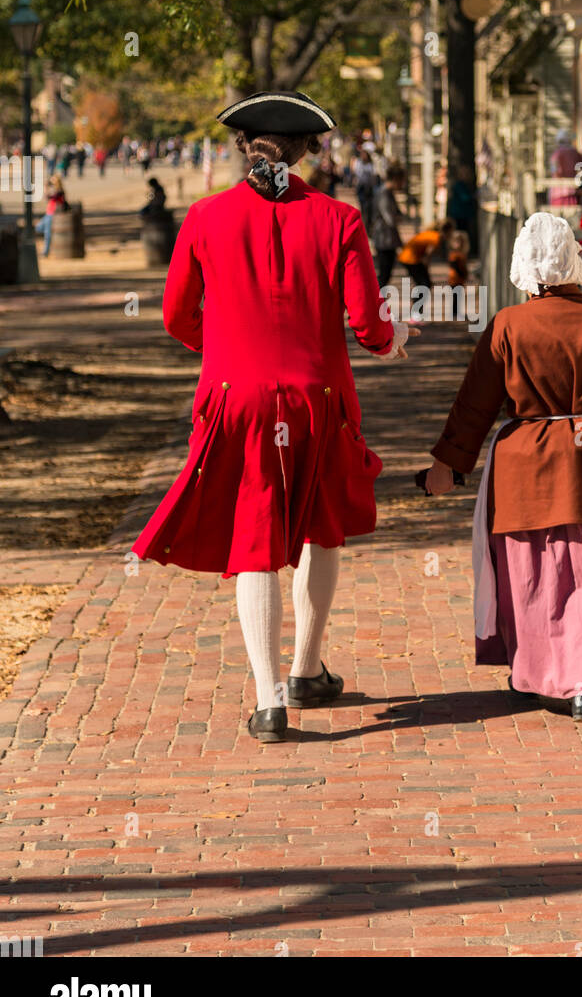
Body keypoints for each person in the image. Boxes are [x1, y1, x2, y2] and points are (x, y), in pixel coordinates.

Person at [131, 91, 418, 745]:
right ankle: (305, 668)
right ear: (309, 149)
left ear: (242, 145)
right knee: (321, 524)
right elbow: (368, 326)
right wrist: (394, 338)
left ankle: (270, 701)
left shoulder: (204, 218)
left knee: (254, 534)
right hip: (319, 397)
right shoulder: (339, 218)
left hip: (239, 396)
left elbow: (178, 317)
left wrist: (229, 344)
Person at [424, 211, 582, 728]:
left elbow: (475, 405)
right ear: (573, 260)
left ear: (526, 265)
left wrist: (448, 464)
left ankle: (550, 674)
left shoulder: (509, 325)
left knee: (545, 578)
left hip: (532, 469)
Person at [370, 164, 405, 287]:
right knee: (384, 275)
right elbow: (390, 218)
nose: (402, 184)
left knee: (386, 274)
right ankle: (376, 302)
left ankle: (378, 301)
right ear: (395, 179)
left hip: (387, 238)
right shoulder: (384, 194)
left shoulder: (387, 192)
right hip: (384, 239)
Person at [398, 218, 454, 293]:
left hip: (407, 257)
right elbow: (427, 257)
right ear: (448, 231)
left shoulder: (433, 234)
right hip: (410, 259)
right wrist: (426, 272)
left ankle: (417, 302)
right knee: (424, 284)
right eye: (451, 232)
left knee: (423, 283)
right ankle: (417, 303)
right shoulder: (436, 238)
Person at [548, 129, 582, 208]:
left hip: (559, 191)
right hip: (574, 190)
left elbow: (555, 171)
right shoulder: (576, 153)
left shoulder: (556, 154)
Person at [35, 177, 69, 256]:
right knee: (38, 228)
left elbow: (50, 197)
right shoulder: (55, 191)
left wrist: (46, 188)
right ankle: (53, 238)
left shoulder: (60, 192)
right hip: (48, 214)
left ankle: (45, 252)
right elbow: (47, 197)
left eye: (53, 182)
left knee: (47, 234)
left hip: (53, 214)